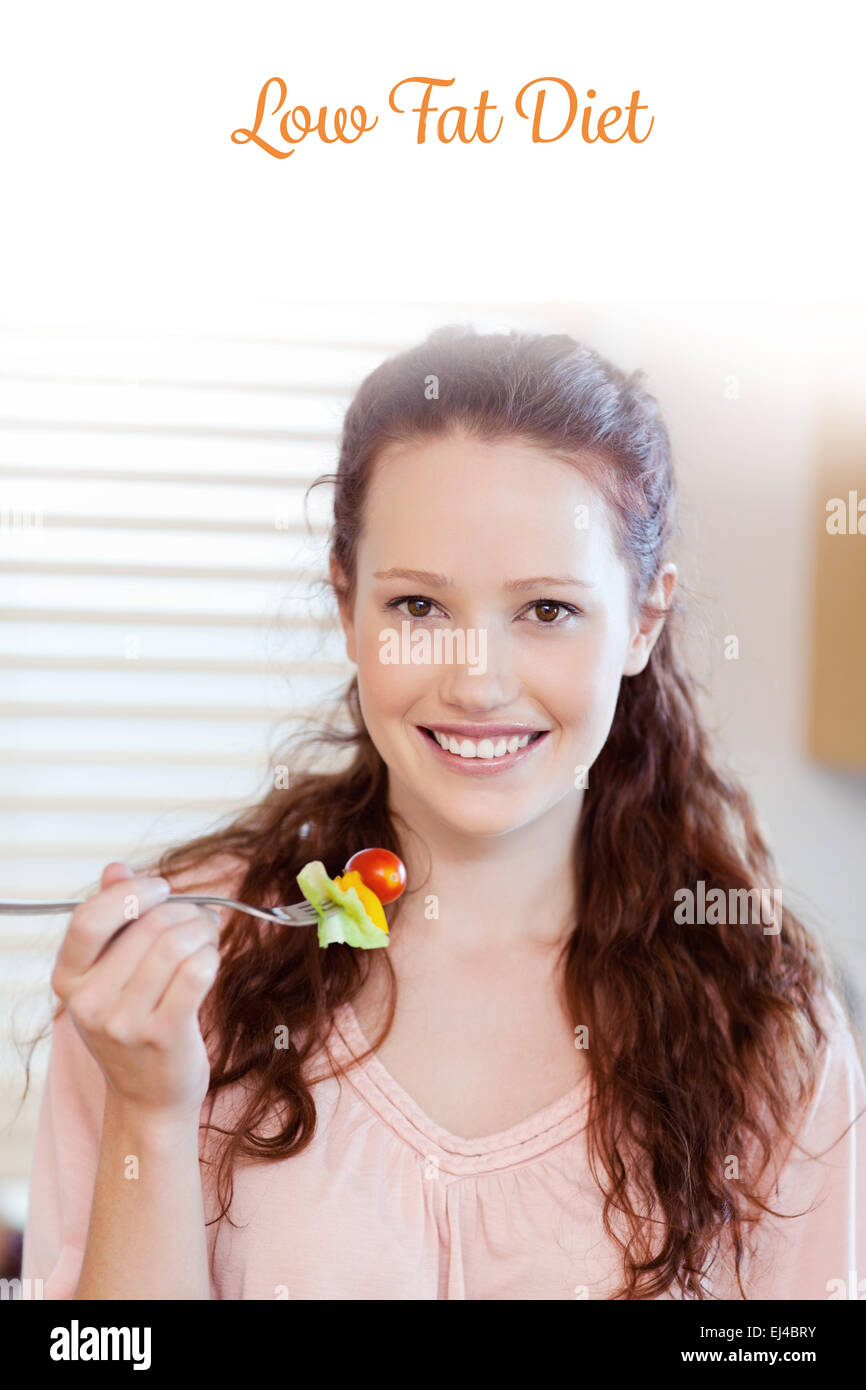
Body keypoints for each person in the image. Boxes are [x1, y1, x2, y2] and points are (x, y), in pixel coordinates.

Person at [21, 326, 866, 1300]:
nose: (475, 682)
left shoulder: (764, 1020)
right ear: (347, 605)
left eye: (545, 609)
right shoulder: (173, 987)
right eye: (418, 607)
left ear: (641, 620)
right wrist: (151, 1114)